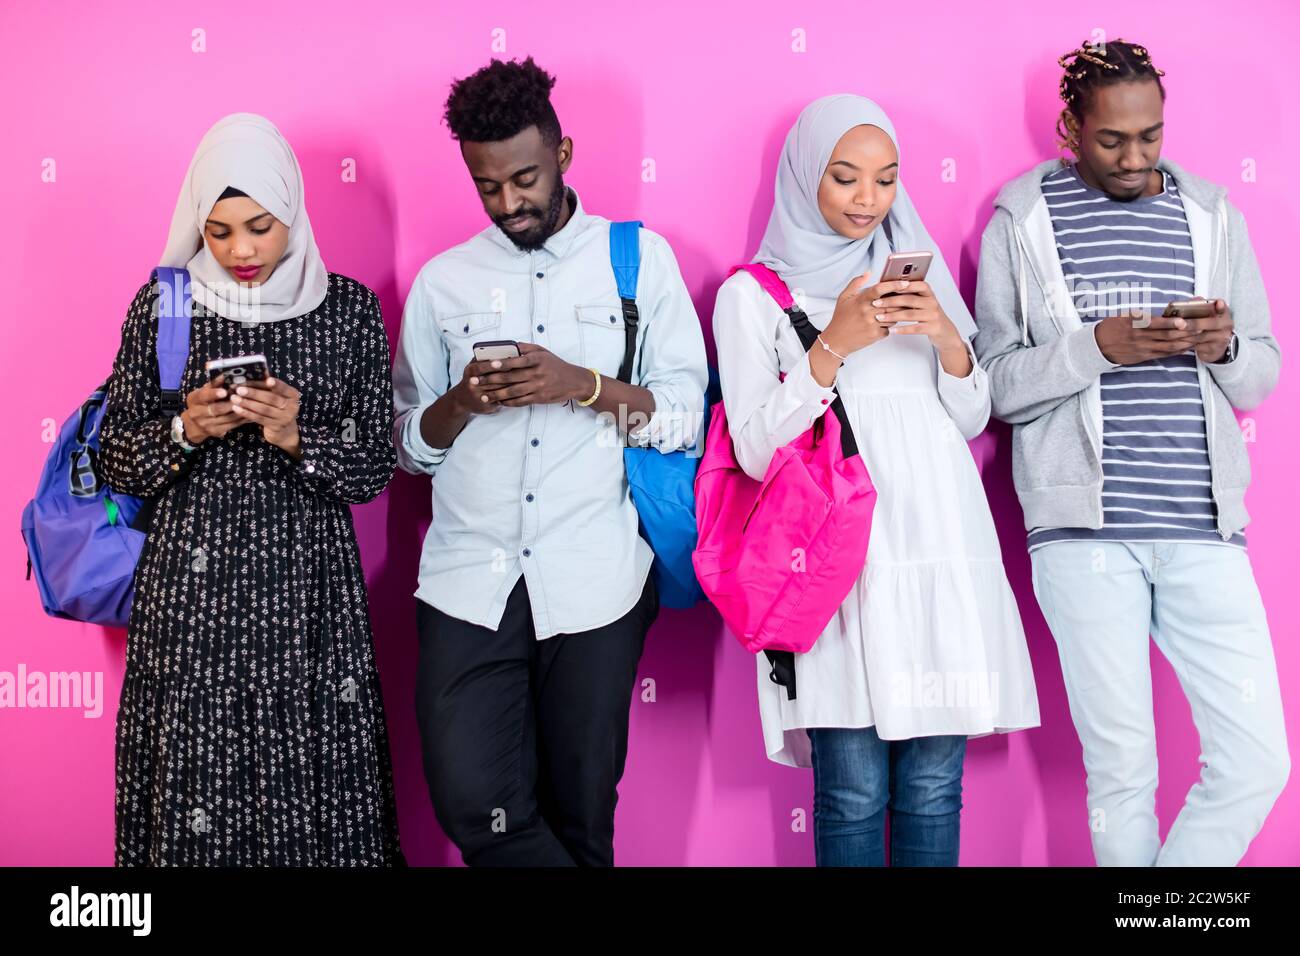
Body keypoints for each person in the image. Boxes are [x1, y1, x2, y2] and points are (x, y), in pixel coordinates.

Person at [973, 39, 1289, 865]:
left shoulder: (1212, 215)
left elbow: (1259, 375)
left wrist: (1222, 348)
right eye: (1113, 140)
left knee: (1259, 761)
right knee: (1122, 770)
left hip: (1202, 523)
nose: (1136, 158)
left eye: (1150, 136)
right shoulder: (1023, 222)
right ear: (1068, 128)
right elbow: (995, 386)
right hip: (1083, 535)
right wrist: (1098, 346)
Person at [392, 58, 708, 866]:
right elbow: (407, 447)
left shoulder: (638, 262)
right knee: (476, 807)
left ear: (563, 153)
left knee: (579, 818)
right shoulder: (443, 284)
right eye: (487, 185)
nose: (509, 203)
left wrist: (584, 385)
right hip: (469, 580)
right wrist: (460, 402)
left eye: (524, 178)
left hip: (595, 574)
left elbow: (684, 422)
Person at [712, 94, 1040, 867]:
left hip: (940, 547)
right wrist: (831, 347)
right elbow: (756, 450)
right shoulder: (750, 297)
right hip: (835, 566)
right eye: (846, 178)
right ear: (804, 177)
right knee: (852, 791)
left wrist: (947, 341)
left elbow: (968, 417)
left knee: (934, 788)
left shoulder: (913, 270)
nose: (869, 201)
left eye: (886, 180)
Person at [99, 113, 403, 866]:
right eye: (220, 230)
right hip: (190, 602)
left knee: (316, 788)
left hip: (308, 597)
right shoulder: (164, 306)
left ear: (293, 212)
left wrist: (300, 433)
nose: (240, 251)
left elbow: (373, 469)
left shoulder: (349, 311)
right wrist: (186, 430)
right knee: (194, 783)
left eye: (261, 228)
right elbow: (114, 460)